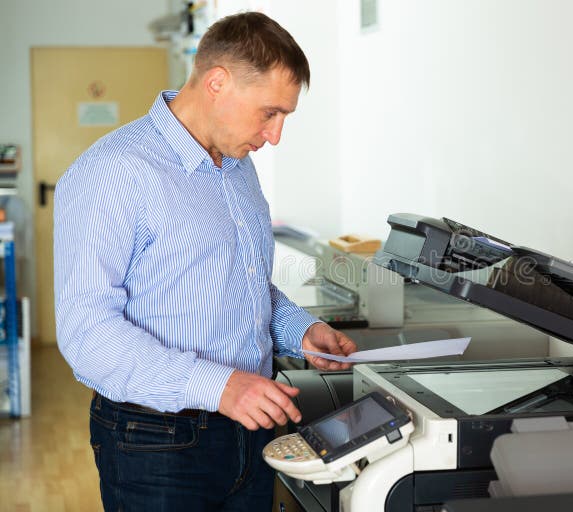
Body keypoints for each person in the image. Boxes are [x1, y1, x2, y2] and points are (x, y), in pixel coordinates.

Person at [53, 11, 357, 511]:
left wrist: (301, 330)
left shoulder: (239, 167)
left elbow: (242, 283)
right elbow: (87, 332)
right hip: (156, 443)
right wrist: (219, 387)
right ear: (217, 83)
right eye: (269, 113)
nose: (275, 135)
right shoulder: (113, 171)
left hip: (250, 432)